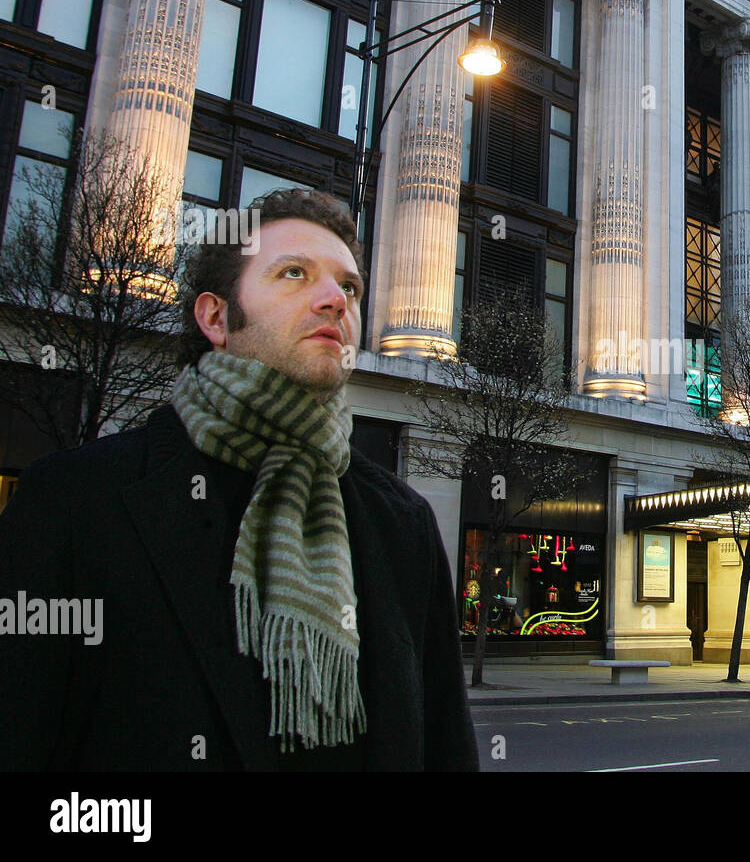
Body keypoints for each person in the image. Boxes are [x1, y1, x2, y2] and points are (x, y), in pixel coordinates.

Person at [0, 189, 478, 771]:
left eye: (349, 287)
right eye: (295, 274)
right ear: (216, 317)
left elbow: (444, 746)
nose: (335, 301)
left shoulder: (402, 522)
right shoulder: (76, 501)